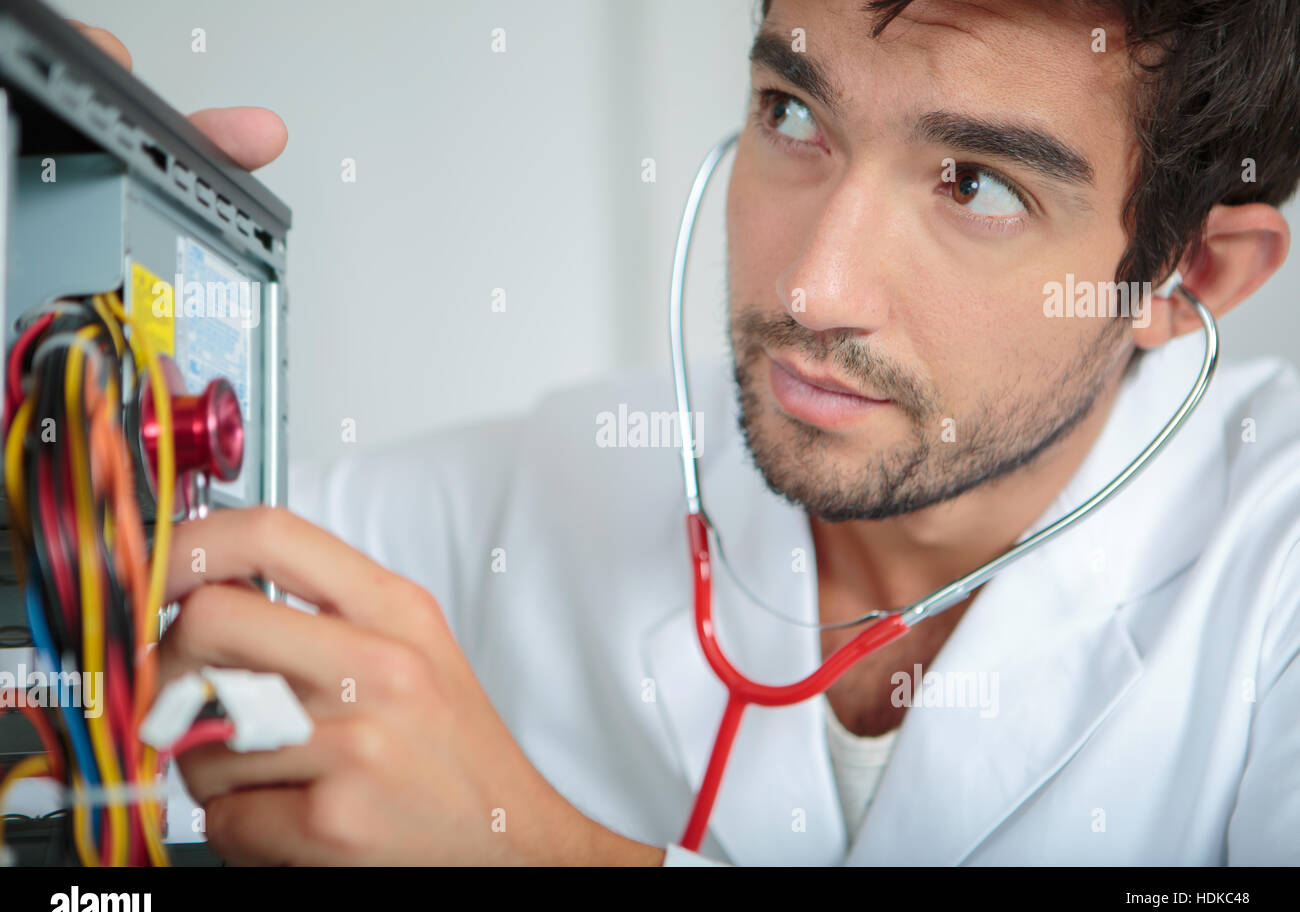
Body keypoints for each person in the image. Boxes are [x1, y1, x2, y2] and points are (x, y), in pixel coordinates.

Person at [73, 0, 1300, 866]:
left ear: (1187, 274)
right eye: (794, 114)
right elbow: (84, 603)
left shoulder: (1276, 553)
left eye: (974, 182)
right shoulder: (541, 490)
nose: (814, 290)